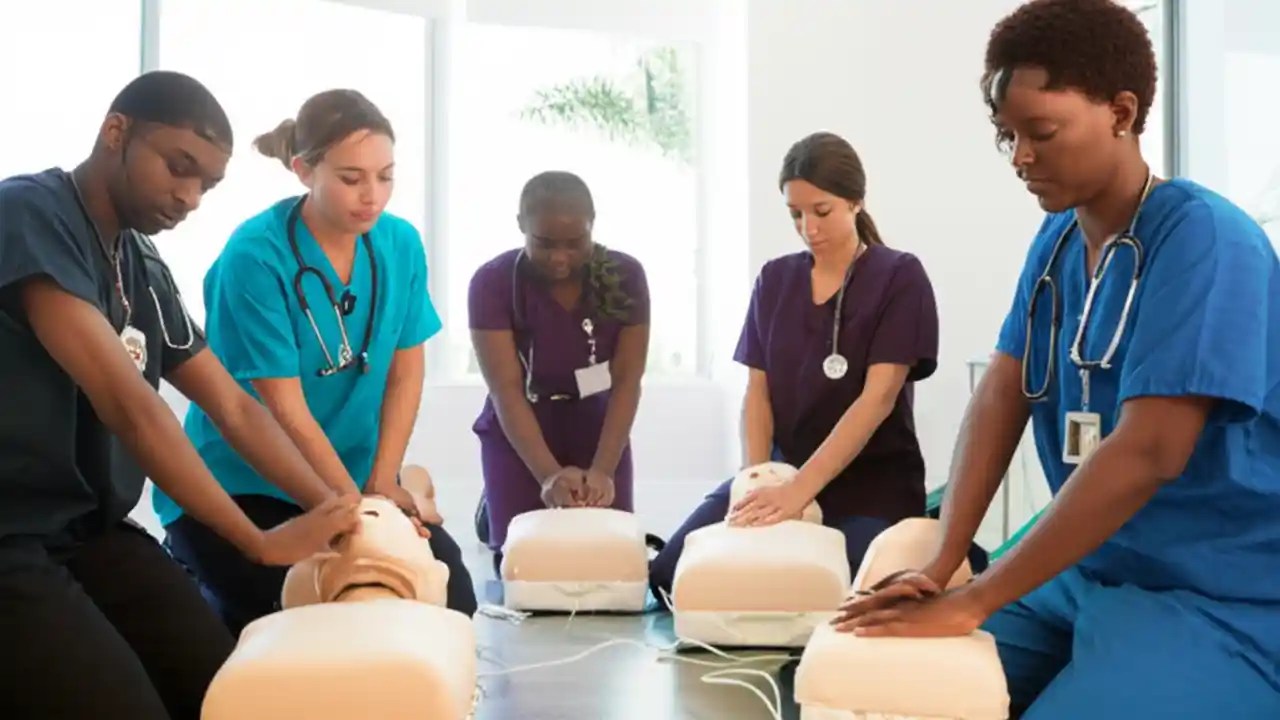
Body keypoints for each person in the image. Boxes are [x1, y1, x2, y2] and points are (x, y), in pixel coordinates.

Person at [832, 1, 1280, 717]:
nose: (1020, 157)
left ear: (1121, 112)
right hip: (1091, 568)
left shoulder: (1208, 242)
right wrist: (946, 561)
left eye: (1040, 133)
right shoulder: (1058, 244)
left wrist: (977, 599)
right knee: (894, 689)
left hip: (1221, 593)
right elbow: (1002, 391)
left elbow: (1150, 450)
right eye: (1006, 135)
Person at [0, 71, 360, 720]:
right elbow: (132, 408)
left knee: (222, 689)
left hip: (85, 530)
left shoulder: (140, 262)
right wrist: (258, 541)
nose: (189, 197)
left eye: (207, 185)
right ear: (116, 133)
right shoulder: (29, 215)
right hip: (10, 530)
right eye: (178, 167)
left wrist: (338, 509)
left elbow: (234, 406)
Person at [154, 89, 477, 635]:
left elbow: (405, 372)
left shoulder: (400, 244)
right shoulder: (255, 256)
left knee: (449, 600)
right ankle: (198, 579)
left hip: (355, 478)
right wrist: (351, 508)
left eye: (385, 176)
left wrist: (382, 486)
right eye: (351, 178)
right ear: (304, 170)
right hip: (243, 485)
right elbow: (285, 410)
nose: (372, 196)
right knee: (299, 612)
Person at [649, 131, 987, 599]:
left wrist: (799, 493)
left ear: (856, 201)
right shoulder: (775, 279)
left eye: (821, 211)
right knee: (671, 574)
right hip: (782, 476)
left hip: (869, 488)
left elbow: (877, 399)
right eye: (796, 214)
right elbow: (758, 394)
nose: (809, 228)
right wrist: (759, 479)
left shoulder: (899, 277)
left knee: (830, 590)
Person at [468, 170, 650, 567]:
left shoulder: (626, 275)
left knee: (610, 551)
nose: (560, 257)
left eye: (575, 242)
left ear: (592, 225)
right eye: (545, 243)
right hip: (520, 423)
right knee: (523, 557)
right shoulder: (492, 282)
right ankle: (494, 505)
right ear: (521, 225)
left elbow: (627, 380)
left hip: (597, 422)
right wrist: (548, 474)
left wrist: (604, 469)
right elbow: (505, 389)